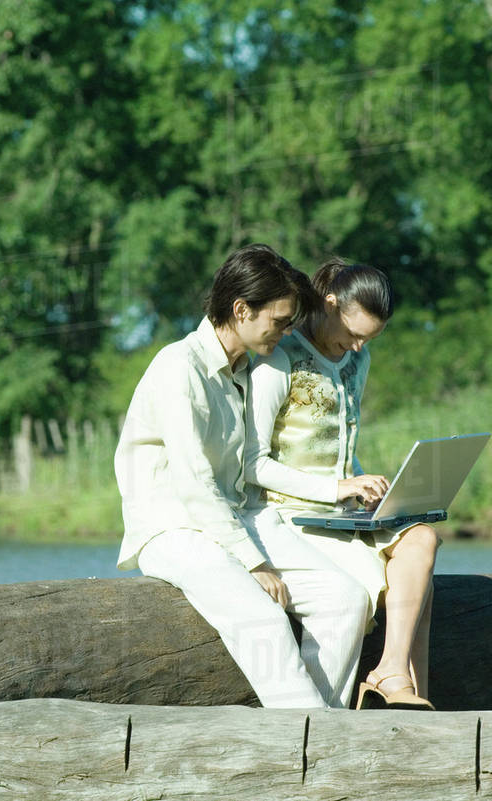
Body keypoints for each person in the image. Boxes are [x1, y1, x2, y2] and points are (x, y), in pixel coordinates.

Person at [114, 243, 372, 709]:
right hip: (174, 528)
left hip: (236, 519)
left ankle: (316, 730)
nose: (288, 331)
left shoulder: (245, 370)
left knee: (348, 600)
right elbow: (194, 484)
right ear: (240, 309)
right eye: (279, 321)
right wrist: (254, 562)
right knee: (267, 621)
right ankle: (311, 747)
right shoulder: (178, 367)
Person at [245, 257, 440, 710]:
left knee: (422, 539)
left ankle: (392, 672)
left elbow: (341, 446)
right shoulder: (279, 358)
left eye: (368, 339)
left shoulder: (359, 360)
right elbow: (252, 465)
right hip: (289, 515)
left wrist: (367, 487)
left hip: (342, 512)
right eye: (353, 334)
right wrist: (337, 488)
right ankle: (398, 690)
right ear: (329, 303)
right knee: (394, 584)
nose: (357, 348)